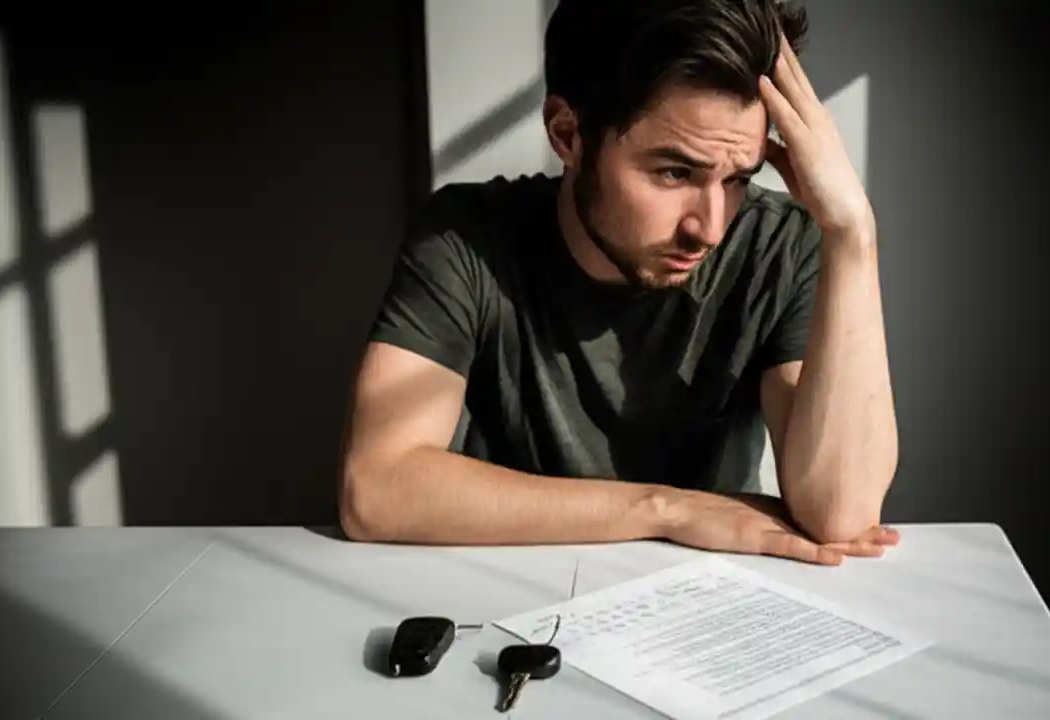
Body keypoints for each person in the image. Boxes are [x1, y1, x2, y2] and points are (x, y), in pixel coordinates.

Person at [339, 0, 899, 566]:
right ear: (567, 134)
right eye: (675, 172)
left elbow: (841, 516)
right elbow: (377, 488)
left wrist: (852, 233)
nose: (708, 227)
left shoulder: (779, 246)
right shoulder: (466, 239)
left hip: (711, 603)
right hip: (509, 596)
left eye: (738, 178)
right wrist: (666, 510)